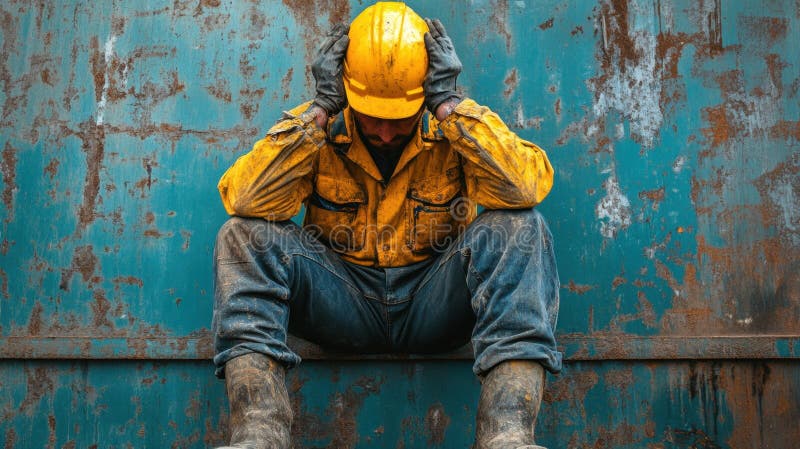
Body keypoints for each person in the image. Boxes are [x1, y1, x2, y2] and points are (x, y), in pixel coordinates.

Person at [212, 2, 560, 448]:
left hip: (433, 300)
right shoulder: (322, 130)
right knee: (241, 237)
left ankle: (507, 437)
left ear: (424, 96)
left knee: (520, 229)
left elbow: (524, 188)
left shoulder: (453, 130)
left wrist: (451, 109)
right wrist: (319, 111)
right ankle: (258, 435)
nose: (385, 132)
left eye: (399, 119)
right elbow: (244, 198)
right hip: (344, 301)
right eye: (372, 116)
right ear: (349, 96)